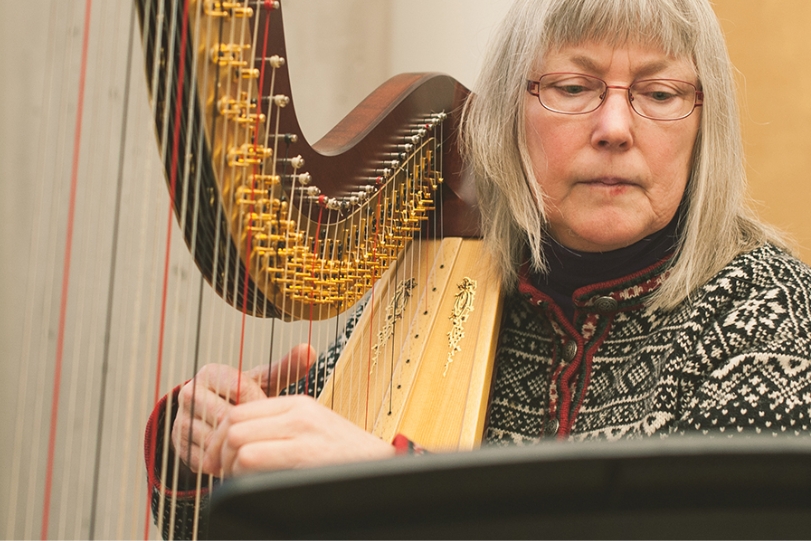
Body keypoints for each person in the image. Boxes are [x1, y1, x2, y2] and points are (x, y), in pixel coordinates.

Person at [145, 0, 811, 537]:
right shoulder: (453, 280)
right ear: (505, 116)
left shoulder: (759, 305)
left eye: (659, 94)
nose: (613, 125)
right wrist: (211, 442)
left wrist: (388, 476)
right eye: (573, 86)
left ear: (705, 126)